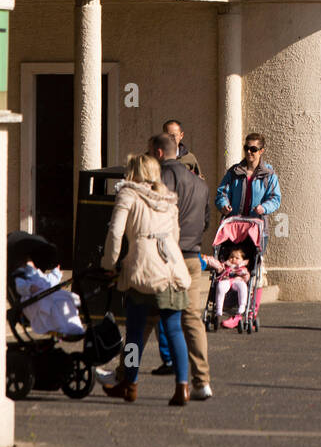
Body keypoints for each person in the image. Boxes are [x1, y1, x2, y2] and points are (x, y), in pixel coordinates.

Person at [100, 153, 191, 406]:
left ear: (134, 172)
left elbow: (115, 232)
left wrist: (110, 263)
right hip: (171, 268)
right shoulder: (169, 200)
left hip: (142, 269)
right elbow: (175, 235)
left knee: (134, 335)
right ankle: (182, 387)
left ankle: (130, 384)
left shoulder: (128, 194)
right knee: (174, 330)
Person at [148, 133, 213, 400]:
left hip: (165, 255)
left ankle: (124, 373)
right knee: (192, 319)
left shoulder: (163, 177)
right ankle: (202, 381)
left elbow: (153, 215)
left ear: (159, 153)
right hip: (192, 256)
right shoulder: (201, 184)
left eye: (150, 152)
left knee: (141, 318)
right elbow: (206, 221)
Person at [215, 133, 281, 225]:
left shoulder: (269, 175)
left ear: (261, 151)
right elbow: (222, 194)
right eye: (246, 148)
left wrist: (263, 208)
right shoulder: (234, 172)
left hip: (257, 228)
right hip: (233, 228)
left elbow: (275, 199)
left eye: (253, 149)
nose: (249, 152)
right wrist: (224, 205)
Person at [15, 261, 84, 338]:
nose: (34, 268)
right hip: (36, 300)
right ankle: (62, 328)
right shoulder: (21, 278)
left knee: (66, 302)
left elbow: (48, 281)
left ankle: (74, 327)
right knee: (54, 306)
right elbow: (20, 287)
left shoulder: (38, 276)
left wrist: (56, 273)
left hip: (47, 295)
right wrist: (29, 288)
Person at [203, 246, 250, 326]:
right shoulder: (224, 266)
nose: (233, 259)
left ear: (242, 260)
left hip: (238, 281)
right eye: (231, 257)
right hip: (226, 280)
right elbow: (216, 264)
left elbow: (247, 278)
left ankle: (242, 306)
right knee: (220, 286)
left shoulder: (243, 268)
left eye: (237, 258)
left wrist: (240, 271)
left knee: (243, 287)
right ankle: (219, 309)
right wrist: (207, 259)